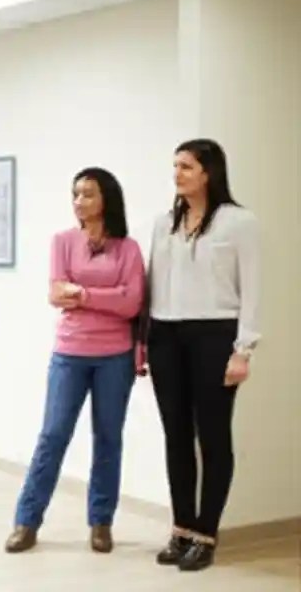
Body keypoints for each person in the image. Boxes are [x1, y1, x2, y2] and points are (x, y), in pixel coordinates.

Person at [5, 168, 146, 555]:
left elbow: (131, 302)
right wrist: (104, 294)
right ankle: (26, 520)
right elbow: (56, 293)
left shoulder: (128, 248)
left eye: (87, 194)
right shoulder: (63, 241)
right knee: (52, 436)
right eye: (75, 194)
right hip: (70, 352)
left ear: (106, 200)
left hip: (114, 357)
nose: (79, 201)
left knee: (108, 438)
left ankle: (101, 522)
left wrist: (82, 294)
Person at [145, 138, 260, 572]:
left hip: (216, 335)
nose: (177, 174)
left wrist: (243, 349)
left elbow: (252, 289)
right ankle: (181, 528)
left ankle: (206, 533)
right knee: (176, 435)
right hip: (165, 334)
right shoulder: (163, 223)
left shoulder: (239, 222)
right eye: (175, 166)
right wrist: (145, 339)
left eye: (186, 167)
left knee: (212, 437)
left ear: (208, 172)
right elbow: (152, 283)